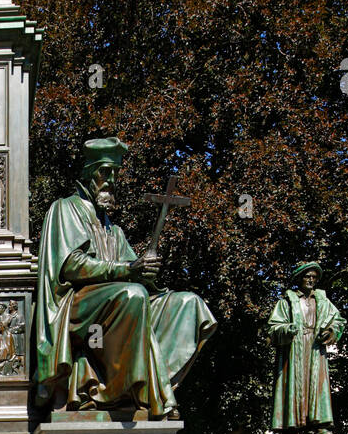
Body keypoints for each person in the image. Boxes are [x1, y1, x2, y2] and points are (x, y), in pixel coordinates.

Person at [36, 137, 216, 417]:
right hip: (78, 308)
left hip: (119, 304)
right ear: (88, 173)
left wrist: (147, 272)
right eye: (104, 172)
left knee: (188, 304)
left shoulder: (113, 229)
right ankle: (131, 391)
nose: (111, 180)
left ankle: (145, 389)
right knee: (133, 295)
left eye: (116, 174)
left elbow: (135, 273)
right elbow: (72, 266)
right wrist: (129, 270)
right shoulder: (65, 208)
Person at [269, 262, 345, 434]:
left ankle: (320, 427)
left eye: (314, 277)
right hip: (294, 347)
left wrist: (331, 331)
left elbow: (338, 320)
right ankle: (292, 427)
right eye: (307, 276)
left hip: (315, 348)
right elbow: (273, 327)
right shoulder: (286, 302)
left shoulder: (323, 302)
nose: (311, 280)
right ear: (299, 279)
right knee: (294, 385)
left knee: (318, 385)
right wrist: (287, 330)